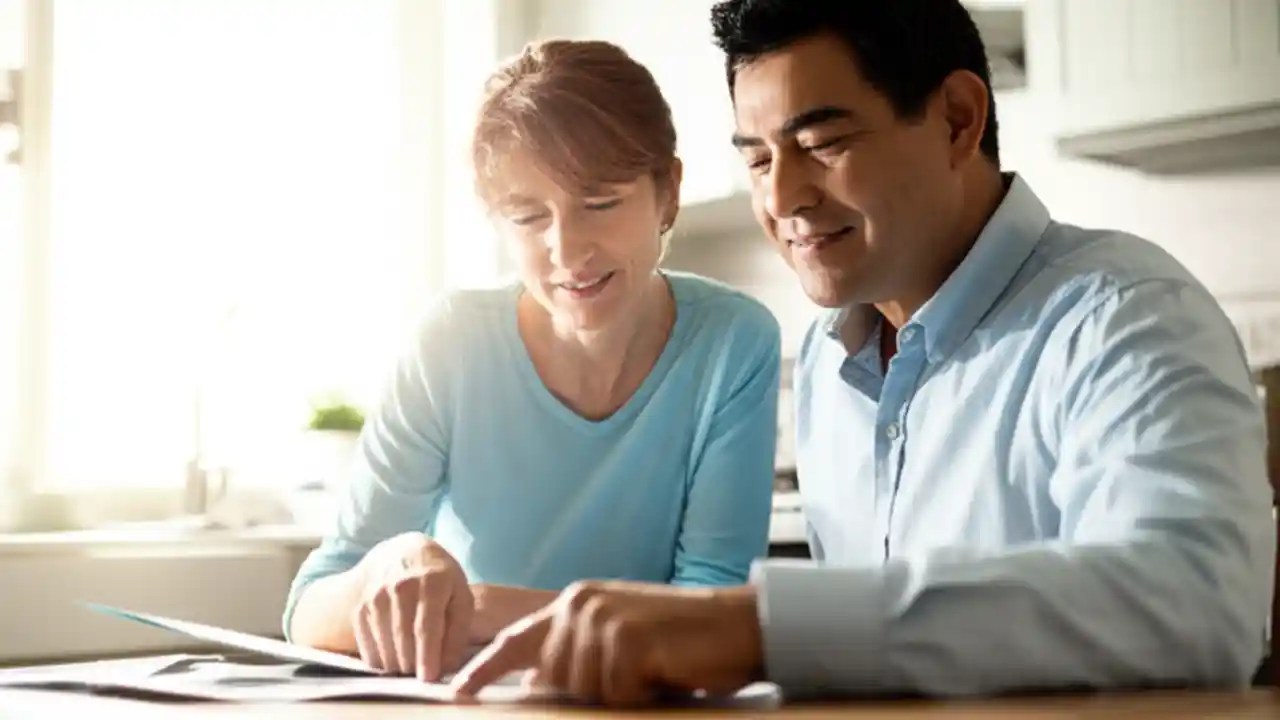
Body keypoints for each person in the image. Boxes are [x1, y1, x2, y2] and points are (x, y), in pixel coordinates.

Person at [452, 0, 1275, 705]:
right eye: (759, 158)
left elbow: (1195, 601)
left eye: (823, 143)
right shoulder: (827, 362)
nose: (781, 198)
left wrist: (761, 624)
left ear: (958, 119)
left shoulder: (1120, 314)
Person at [284, 38, 781, 682]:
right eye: (527, 217)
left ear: (668, 193)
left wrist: (479, 606)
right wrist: (385, 568)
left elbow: (711, 618)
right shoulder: (451, 342)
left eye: (600, 203)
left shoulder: (733, 344)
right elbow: (308, 608)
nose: (567, 250)